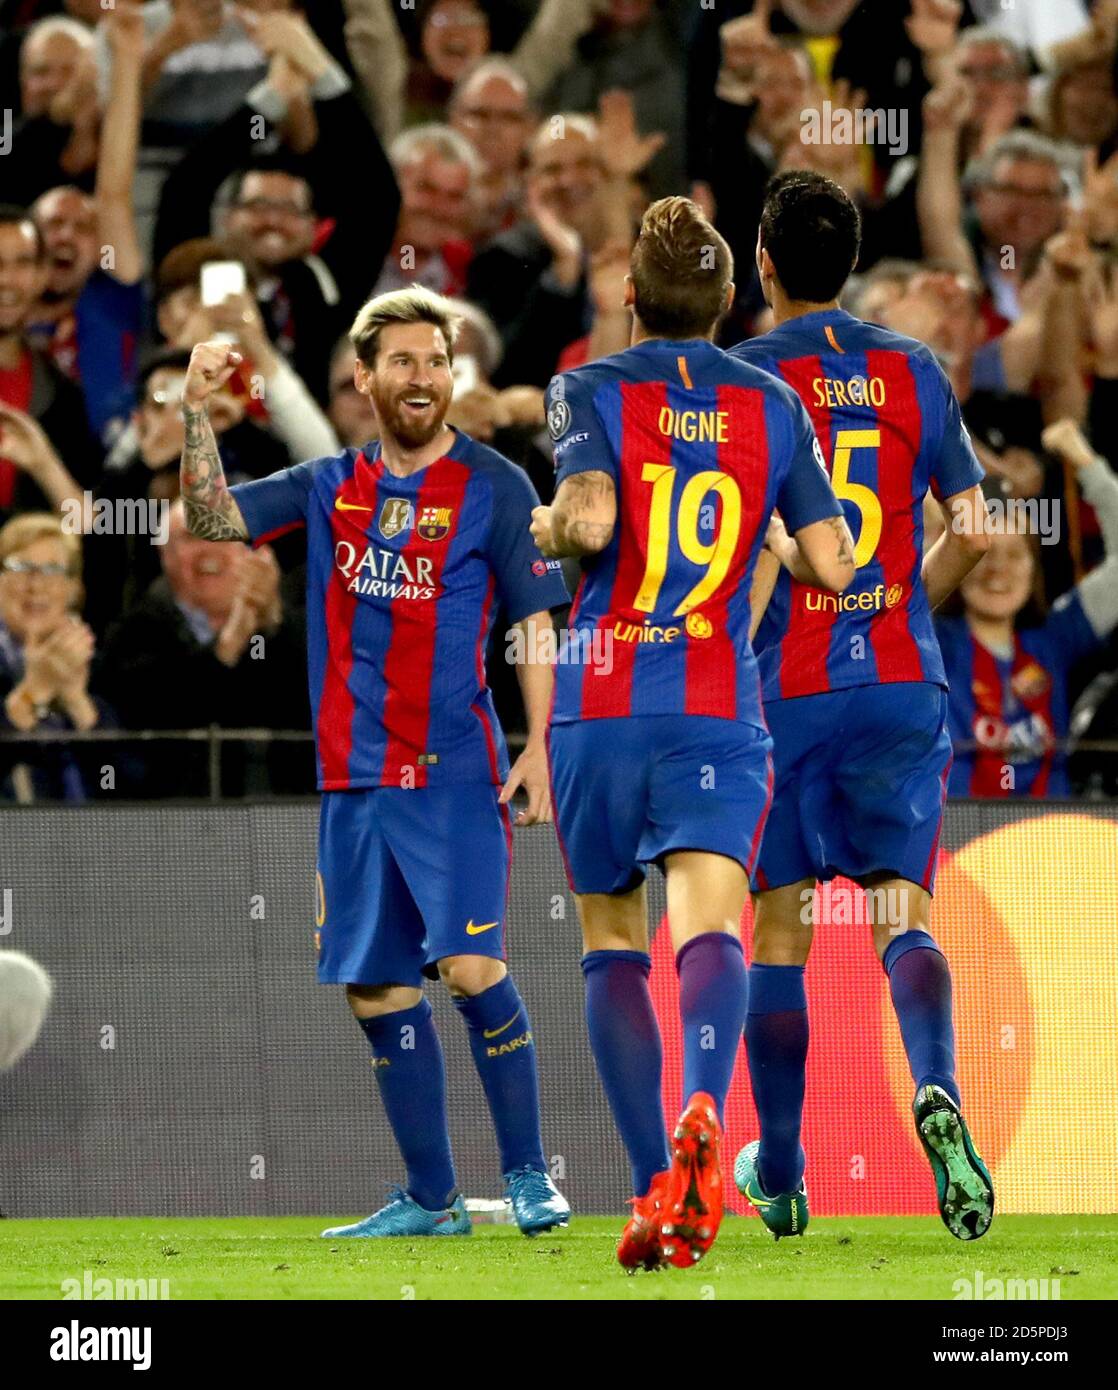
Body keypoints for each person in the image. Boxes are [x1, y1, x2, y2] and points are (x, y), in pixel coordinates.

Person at [177, 285, 572, 1238]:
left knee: (471, 965)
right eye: (403, 361)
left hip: (455, 772)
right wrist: (194, 411)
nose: (423, 376)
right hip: (354, 780)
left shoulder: (496, 486)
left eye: (436, 360)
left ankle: (529, 1176)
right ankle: (434, 1199)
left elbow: (534, 621)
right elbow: (214, 519)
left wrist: (542, 745)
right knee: (377, 988)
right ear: (365, 378)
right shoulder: (328, 484)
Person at [531, 195, 854, 1270]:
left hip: (602, 696)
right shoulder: (774, 402)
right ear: (726, 302)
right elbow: (834, 562)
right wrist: (773, 533)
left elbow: (587, 519)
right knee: (709, 929)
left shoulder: (585, 386)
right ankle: (706, 1108)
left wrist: (548, 525)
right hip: (715, 700)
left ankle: (650, 1185)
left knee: (610, 937)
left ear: (629, 294)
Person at [729, 170, 994, 1242]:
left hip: (782, 689)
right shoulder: (913, 368)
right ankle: (937, 1088)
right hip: (896, 681)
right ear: (850, 260)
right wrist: (902, 604)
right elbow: (975, 527)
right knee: (901, 912)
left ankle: (782, 1171)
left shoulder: (741, 379)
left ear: (762, 262)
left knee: (779, 929)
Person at [937, 418, 1118, 797]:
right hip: (957, 829)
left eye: (1015, 554)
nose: (998, 569)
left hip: (1046, 830)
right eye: (983, 554)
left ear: (1035, 569)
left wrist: (1082, 459)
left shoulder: (1054, 640)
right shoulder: (930, 639)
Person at [0, 512, 112, 802]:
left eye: (52, 570)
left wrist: (78, 703)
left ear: (74, 589)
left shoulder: (101, 666)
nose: (36, 585)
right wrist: (32, 693)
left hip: (91, 829)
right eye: (21, 567)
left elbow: (119, 784)